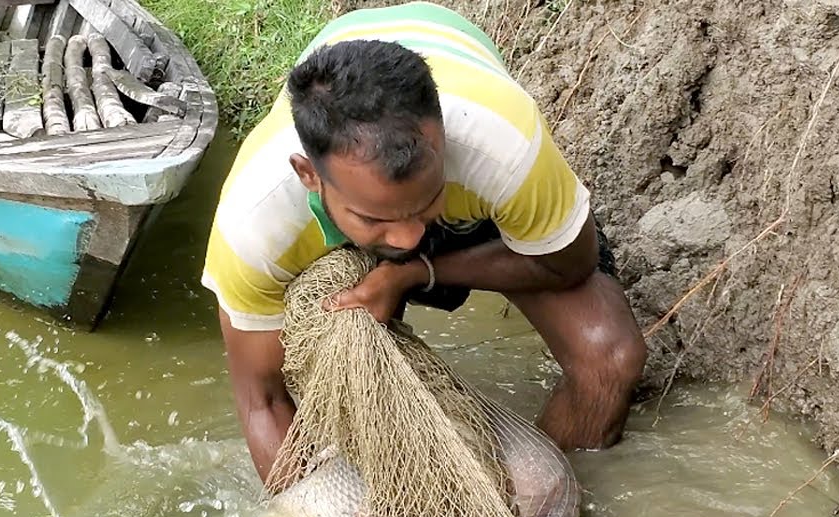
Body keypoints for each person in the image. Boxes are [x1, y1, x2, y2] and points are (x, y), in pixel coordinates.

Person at [202, 1, 648, 483]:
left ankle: (551, 488)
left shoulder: (502, 148)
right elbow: (263, 400)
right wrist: (308, 512)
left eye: (425, 204)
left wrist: (413, 272)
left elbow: (568, 264)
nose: (409, 236)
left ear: (444, 142)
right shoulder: (255, 224)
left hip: (469, 189)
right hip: (333, 223)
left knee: (608, 359)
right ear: (309, 175)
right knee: (352, 358)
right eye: (375, 217)